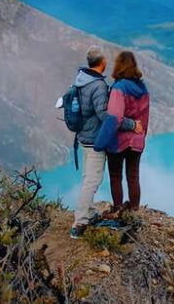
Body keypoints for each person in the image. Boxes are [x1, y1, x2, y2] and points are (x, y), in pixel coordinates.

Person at [69, 46, 111, 239]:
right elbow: (103, 114)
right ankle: (80, 222)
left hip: (83, 137)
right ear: (102, 62)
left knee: (88, 177)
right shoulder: (99, 85)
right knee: (93, 180)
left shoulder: (81, 80)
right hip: (94, 139)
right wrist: (126, 123)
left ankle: (88, 211)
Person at [105, 51, 149, 215]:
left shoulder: (119, 88)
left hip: (119, 140)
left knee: (115, 175)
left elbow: (115, 117)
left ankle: (117, 208)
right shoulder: (142, 88)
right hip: (137, 139)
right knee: (133, 176)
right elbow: (145, 116)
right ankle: (134, 209)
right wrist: (142, 134)